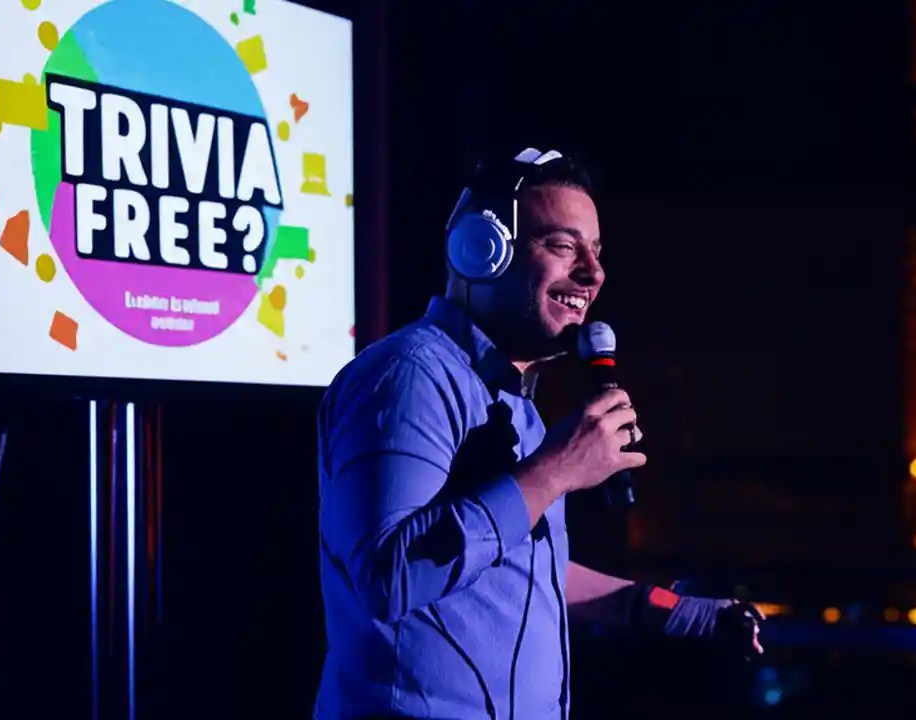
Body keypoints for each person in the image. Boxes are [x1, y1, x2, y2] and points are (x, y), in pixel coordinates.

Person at [314, 146, 763, 720]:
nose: (593, 273)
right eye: (563, 245)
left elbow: (519, 570)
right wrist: (555, 471)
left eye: (596, 251)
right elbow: (389, 576)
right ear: (482, 251)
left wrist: (672, 610)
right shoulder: (407, 378)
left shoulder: (517, 404)